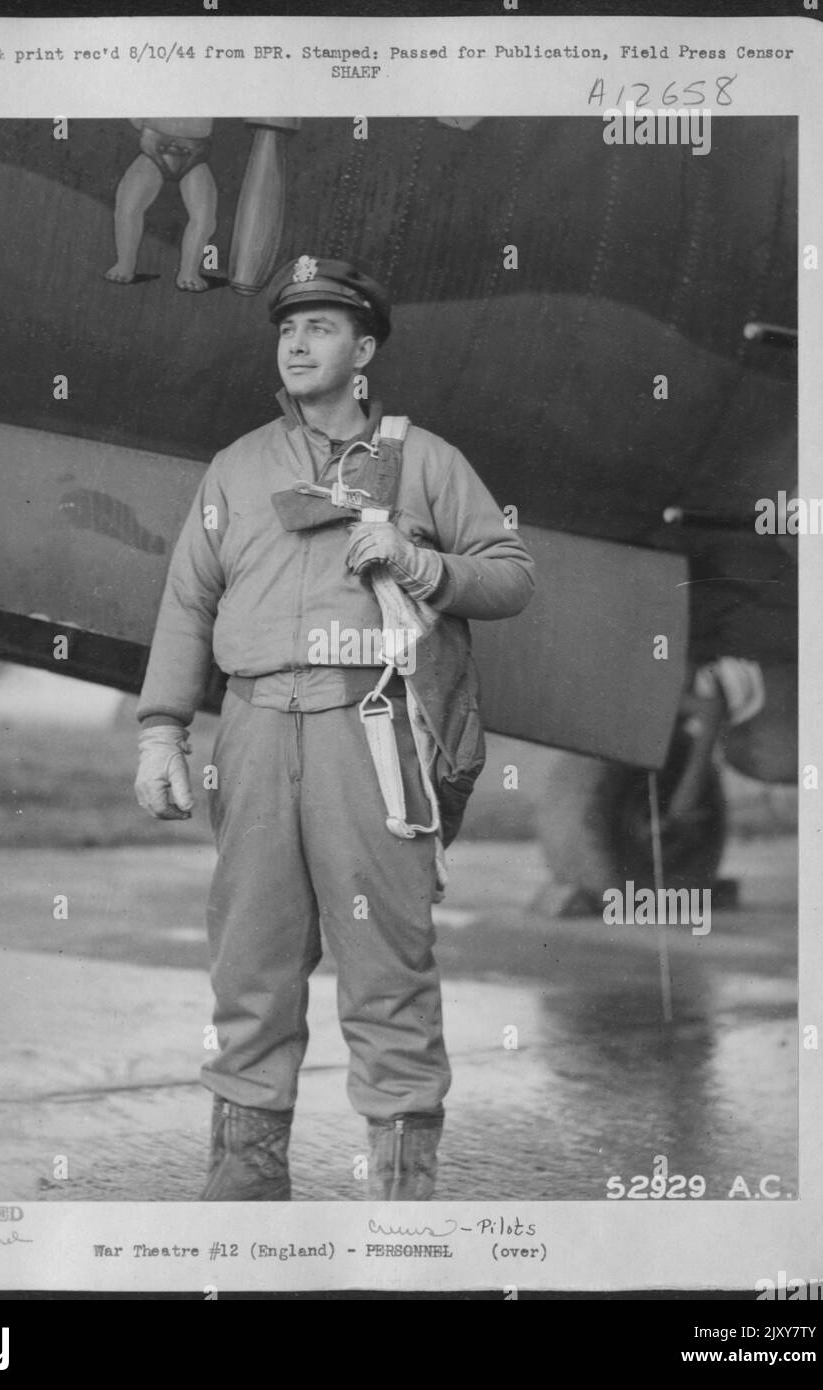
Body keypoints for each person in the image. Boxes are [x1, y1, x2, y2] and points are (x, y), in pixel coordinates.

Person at [134, 256, 534, 1199]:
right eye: (287, 329)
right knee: (251, 962)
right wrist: (161, 731)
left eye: (321, 327)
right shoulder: (236, 467)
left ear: (365, 350)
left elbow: (512, 572)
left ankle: (402, 1213)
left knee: (386, 964)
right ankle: (243, 1200)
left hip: (375, 729)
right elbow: (188, 604)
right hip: (258, 727)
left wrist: (422, 562)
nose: (299, 343)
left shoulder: (424, 460)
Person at [105, 118, 217, 292]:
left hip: (195, 151)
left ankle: (189, 272)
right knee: (127, 207)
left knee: (204, 219)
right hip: (153, 145)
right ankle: (125, 264)